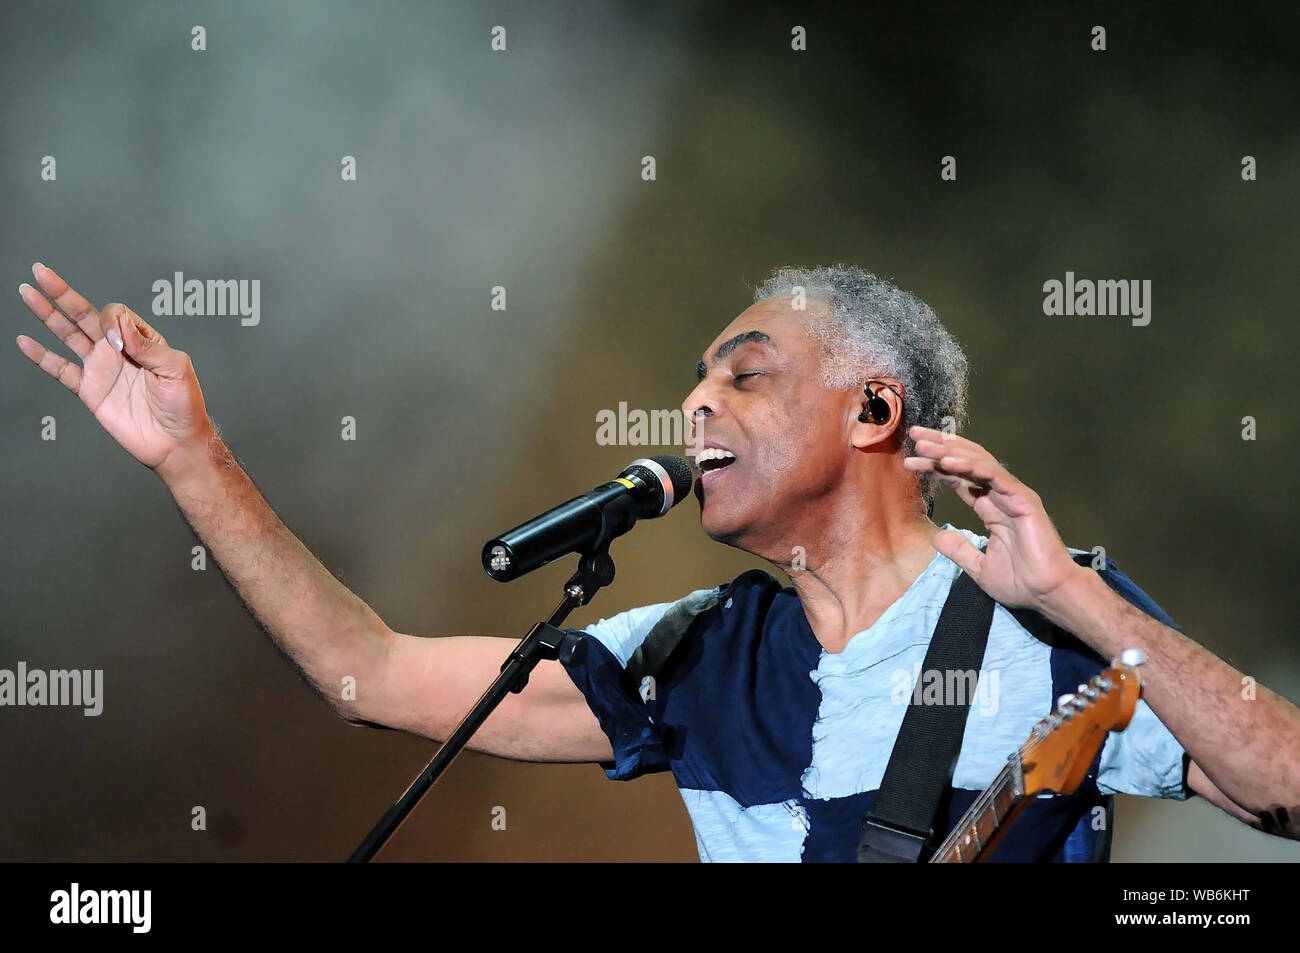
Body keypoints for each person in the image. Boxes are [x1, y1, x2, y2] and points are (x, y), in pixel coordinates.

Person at [16, 262, 1300, 861]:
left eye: (742, 373)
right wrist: (194, 458)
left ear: (874, 412)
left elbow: (1283, 787)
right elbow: (367, 671)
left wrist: (1073, 597)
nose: (692, 404)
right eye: (694, 376)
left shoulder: (1043, 612)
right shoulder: (696, 652)